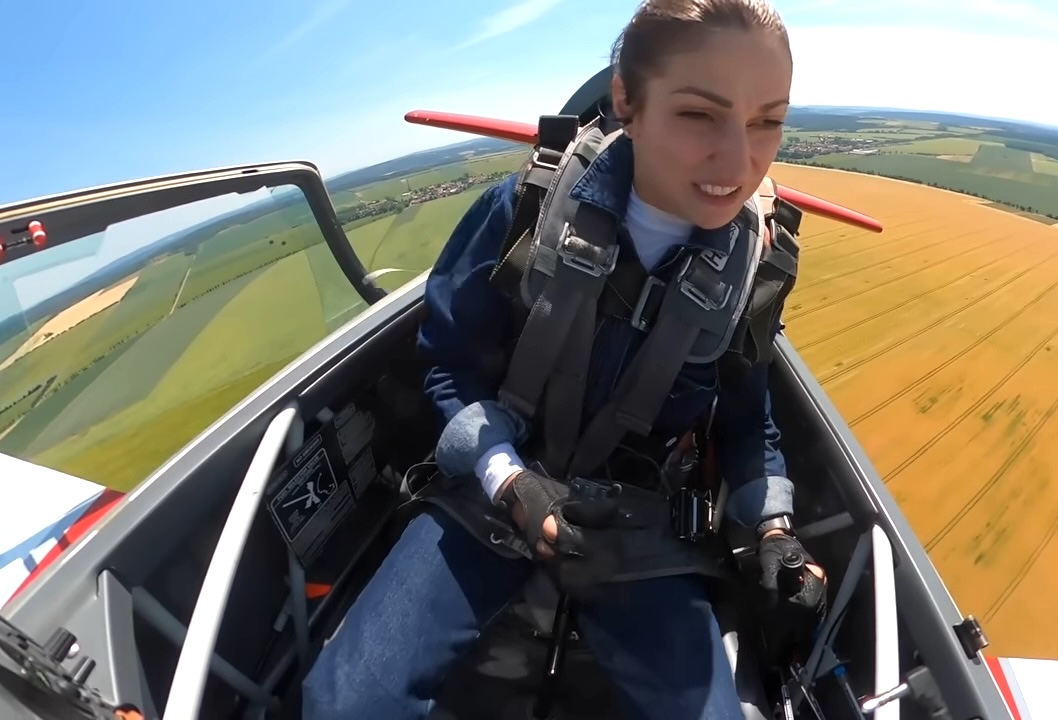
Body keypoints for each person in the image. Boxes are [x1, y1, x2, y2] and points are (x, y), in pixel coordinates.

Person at [300, 1, 827, 718]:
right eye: (700, 115)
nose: (740, 162)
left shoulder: (751, 274)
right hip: (493, 493)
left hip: (637, 525)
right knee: (346, 707)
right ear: (626, 102)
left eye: (767, 120)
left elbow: (746, 423)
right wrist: (509, 480)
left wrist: (774, 535)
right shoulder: (522, 212)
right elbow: (448, 363)